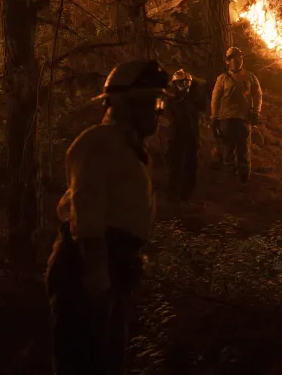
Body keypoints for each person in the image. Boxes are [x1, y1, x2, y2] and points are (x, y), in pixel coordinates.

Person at [45, 60, 168, 375]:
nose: (158, 111)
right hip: (87, 264)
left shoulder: (129, 147)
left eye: (159, 102)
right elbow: (88, 209)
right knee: (86, 360)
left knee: (109, 357)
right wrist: (97, 270)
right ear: (126, 105)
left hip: (113, 264)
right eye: (151, 103)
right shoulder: (99, 143)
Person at [210, 47, 262, 185]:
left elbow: (258, 95)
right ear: (228, 61)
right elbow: (215, 98)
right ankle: (230, 176)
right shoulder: (222, 79)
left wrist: (256, 111)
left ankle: (244, 177)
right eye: (235, 57)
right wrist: (214, 116)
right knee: (228, 149)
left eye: (240, 57)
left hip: (243, 119)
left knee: (243, 148)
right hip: (226, 119)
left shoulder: (250, 77)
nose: (239, 60)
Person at [165, 69, 205, 201]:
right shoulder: (170, 100)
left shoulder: (194, 99)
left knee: (191, 165)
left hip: (191, 137)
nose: (183, 84)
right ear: (174, 84)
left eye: (185, 82)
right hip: (175, 138)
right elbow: (167, 117)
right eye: (180, 82)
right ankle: (173, 194)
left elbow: (202, 101)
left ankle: (187, 195)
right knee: (175, 166)